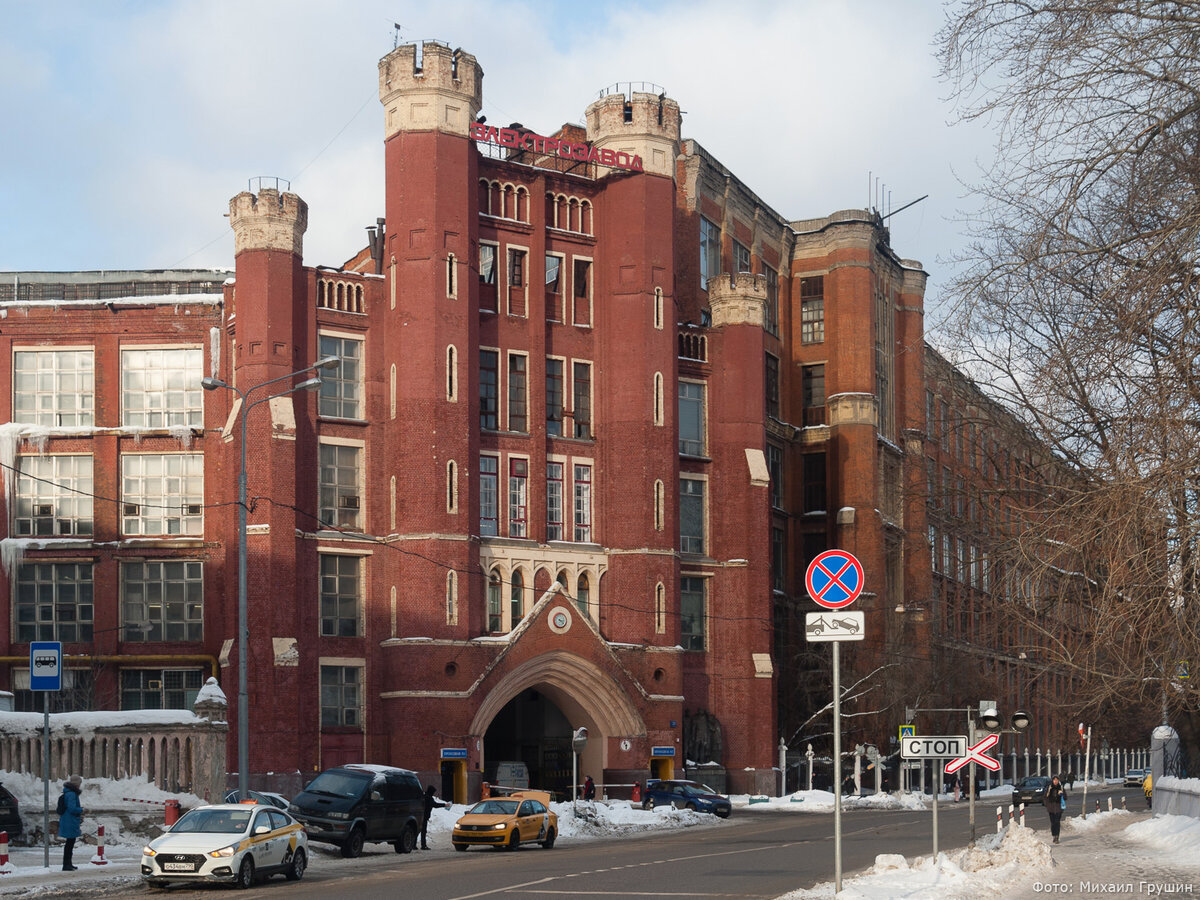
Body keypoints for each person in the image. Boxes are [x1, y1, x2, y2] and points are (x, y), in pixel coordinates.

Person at [58, 774, 83, 871]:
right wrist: (81, 810)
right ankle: (66, 864)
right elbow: (72, 808)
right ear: (76, 784)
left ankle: (68, 863)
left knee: (70, 843)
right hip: (70, 820)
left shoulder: (68, 793)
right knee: (69, 844)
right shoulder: (72, 794)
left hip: (67, 820)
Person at [419, 785, 447, 850]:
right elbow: (435, 805)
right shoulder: (429, 798)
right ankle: (423, 845)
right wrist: (444, 805)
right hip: (424, 817)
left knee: (418, 831)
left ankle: (414, 845)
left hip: (419, 816)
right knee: (423, 831)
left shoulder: (423, 796)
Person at [1043, 774, 1066, 843]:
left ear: (1058, 781)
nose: (1055, 781)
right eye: (1054, 780)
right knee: (1053, 823)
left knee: (1057, 822)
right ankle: (1054, 835)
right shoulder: (1049, 788)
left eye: (1057, 780)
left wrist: (1061, 794)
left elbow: (1065, 797)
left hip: (1059, 808)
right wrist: (1047, 805)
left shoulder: (1061, 788)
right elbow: (1045, 797)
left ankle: (1057, 837)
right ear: (1052, 781)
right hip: (1051, 808)